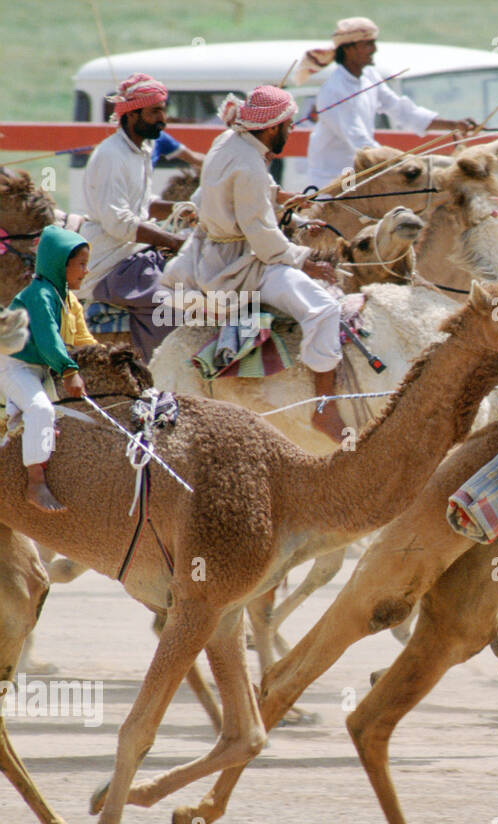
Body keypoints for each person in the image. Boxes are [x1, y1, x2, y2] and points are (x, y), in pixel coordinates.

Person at [161, 86, 348, 442]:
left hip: (220, 252)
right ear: (272, 126)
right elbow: (262, 237)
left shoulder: (229, 143)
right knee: (324, 308)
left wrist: (289, 208)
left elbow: (252, 198)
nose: (291, 132)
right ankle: (325, 408)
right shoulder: (249, 167)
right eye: (289, 126)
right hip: (242, 266)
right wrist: (305, 261)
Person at [77, 73, 185, 361]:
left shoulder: (142, 149)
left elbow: (142, 204)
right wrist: (173, 240)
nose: (163, 118)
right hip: (108, 264)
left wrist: (182, 210)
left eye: (163, 110)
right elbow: (118, 222)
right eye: (155, 112)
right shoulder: (112, 155)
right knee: (172, 302)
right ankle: (158, 371)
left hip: (133, 256)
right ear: (131, 115)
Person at [302, 17, 475, 192]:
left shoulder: (369, 76)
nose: (374, 49)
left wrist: (452, 125)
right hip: (332, 179)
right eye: (368, 44)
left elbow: (401, 110)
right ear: (348, 49)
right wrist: (402, 163)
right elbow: (358, 139)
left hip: (362, 174)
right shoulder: (335, 89)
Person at [3, 226, 90, 511]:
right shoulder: (40, 295)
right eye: (81, 264)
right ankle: (35, 483)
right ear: (59, 264)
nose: (85, 271)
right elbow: (48, 337)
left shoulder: (60, 295)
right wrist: (69, 370)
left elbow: (77, 336)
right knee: (41, 410)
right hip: (15, 366)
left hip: (37, 369)